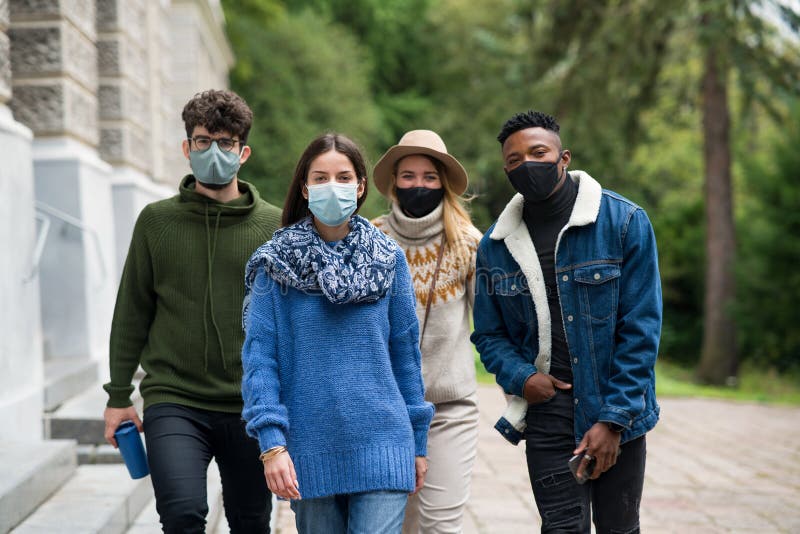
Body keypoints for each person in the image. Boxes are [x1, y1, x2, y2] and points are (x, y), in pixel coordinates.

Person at [471, 110, 662, 533]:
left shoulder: (624, 221)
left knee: (619, 527)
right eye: (515, 160)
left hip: (617, 408)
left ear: (564, 157)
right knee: (561, 529)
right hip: (547, 413)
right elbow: (488, 333)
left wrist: (612, 420)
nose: (528, 165)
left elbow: (641, 329)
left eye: (538, 153)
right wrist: (523, 378)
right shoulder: (495, 247)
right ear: (506, 170)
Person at [102, 89, 281, 533]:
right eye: (203, 141)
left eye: (225, 143)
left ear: (244, 152)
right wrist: (118, 396)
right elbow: (132, 312)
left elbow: (294, 321)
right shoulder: (155, 222)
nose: (214, 152)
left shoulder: (276, 227)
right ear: (187, 148)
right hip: (174, 399)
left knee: (251, 521)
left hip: (251, 404)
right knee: (181, 514)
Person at [241, 133, 434, 534]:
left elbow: (405, 355)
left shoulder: (388, 258)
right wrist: (272, 444)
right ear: (305, 187)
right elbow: (260, 360)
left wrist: (417, 441)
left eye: (344, 177)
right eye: (321, 177)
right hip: (309, 449)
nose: (334, 186)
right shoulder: (274, 266)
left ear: (361, 186)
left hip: (384, 442)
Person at [371, 130, 482, 533]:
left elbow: (492, 327)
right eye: (409, 176)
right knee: (397, 525)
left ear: (444, 184)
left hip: (448, 409)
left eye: (430, 177)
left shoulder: (468, 244)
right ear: (394, 183)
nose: (419, 185)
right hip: (384, 410)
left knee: (439, 525)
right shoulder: (370, 239)